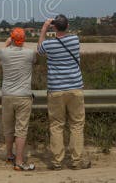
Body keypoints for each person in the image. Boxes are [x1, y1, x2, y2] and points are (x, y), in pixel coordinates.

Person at [38, 15, 90, 170]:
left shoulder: (48, 44)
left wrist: (44, 29)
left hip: (56, 90)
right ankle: (76, 161)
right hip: (75, 88)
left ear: (54, 27)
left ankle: (57, 161)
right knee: (76, 125)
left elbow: (39, 50)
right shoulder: (75, 40)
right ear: (67, 26)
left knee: (56, 125)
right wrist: (58, 26)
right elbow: (65, 30)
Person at [0, 27, 37, 171]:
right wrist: (20, 44)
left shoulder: (4, 53)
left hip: (7, 95)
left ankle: (9, 155)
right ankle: (19, 161)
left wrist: (6, 44)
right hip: (24, 96)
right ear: (24, 40)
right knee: (21, 129)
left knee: (8, 128)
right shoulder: (30, 53)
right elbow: (34, 61)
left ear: (11, 39)